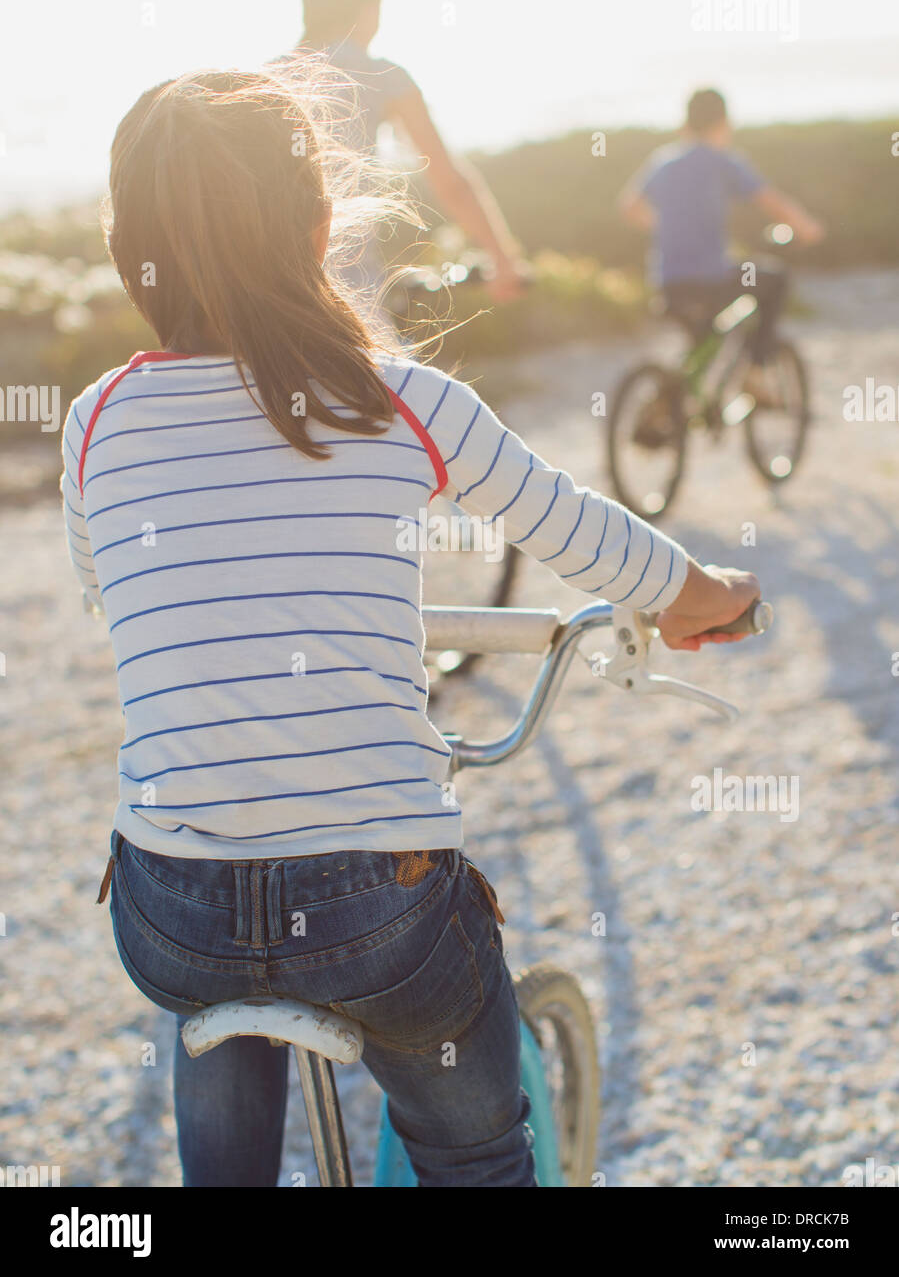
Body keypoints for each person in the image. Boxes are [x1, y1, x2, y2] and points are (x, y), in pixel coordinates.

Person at [62, 67, 760, 1187]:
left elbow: (117, 590)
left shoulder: (95, 420)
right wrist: (709, 595)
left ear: (126, 240)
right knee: (475, 1152)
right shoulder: (402, 401)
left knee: (215, 985)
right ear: (319, 226)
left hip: (168, 907)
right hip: (370, 912)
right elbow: (594, 540)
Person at [272, 0, 527, 310]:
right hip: (346, 295)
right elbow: (449, 181)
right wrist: (503, 259)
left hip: (264, 299)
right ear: (367, 9)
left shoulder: (265, 80)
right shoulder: (380, 76)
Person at [619, 88, 824, 368]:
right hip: (711, 279)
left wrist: (668, 228)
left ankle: (682, 398)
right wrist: (806, 227)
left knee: (703, 347)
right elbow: (771, 201)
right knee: (774, 279)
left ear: (687, 124)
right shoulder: (724, 161)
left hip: (667, 281)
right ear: (723, 123)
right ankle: (758, 369)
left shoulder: (664, 162)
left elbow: (629, 206)